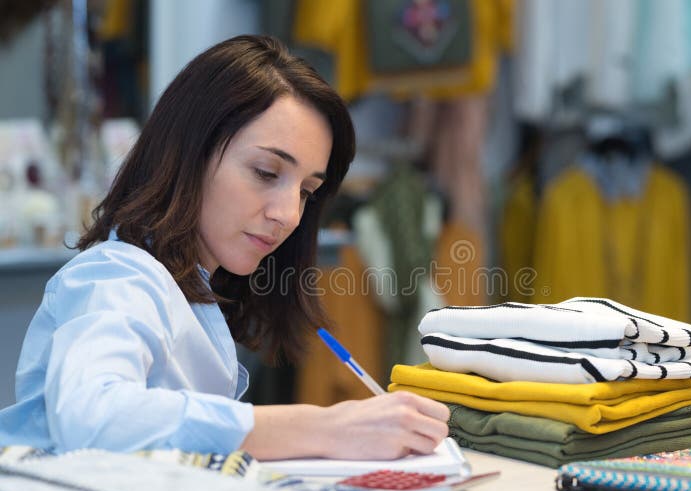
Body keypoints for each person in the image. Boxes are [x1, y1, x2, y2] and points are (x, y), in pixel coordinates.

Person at [0, 35, 450, 460]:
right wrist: (322, 428)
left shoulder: (193, 293)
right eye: (266, 172)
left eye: (306, 192)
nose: (289, 215)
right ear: (189, 151)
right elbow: (91, 418)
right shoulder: (119, 276)